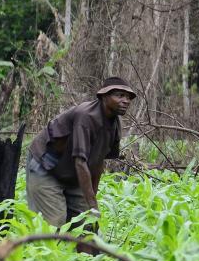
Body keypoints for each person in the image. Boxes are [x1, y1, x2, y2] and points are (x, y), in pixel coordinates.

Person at [25, 77, 135, 229]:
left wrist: (92, 201)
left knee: (87, 226)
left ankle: (84, 253)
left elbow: (98, 163)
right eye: (119, 95)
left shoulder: (114, 124)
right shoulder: (86, 116)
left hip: (72, 174)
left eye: (129, 97)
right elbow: (80, 162)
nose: (126, 101)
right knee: (52, 225)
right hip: (46, 166)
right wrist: (92, 204)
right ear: (104, 96)